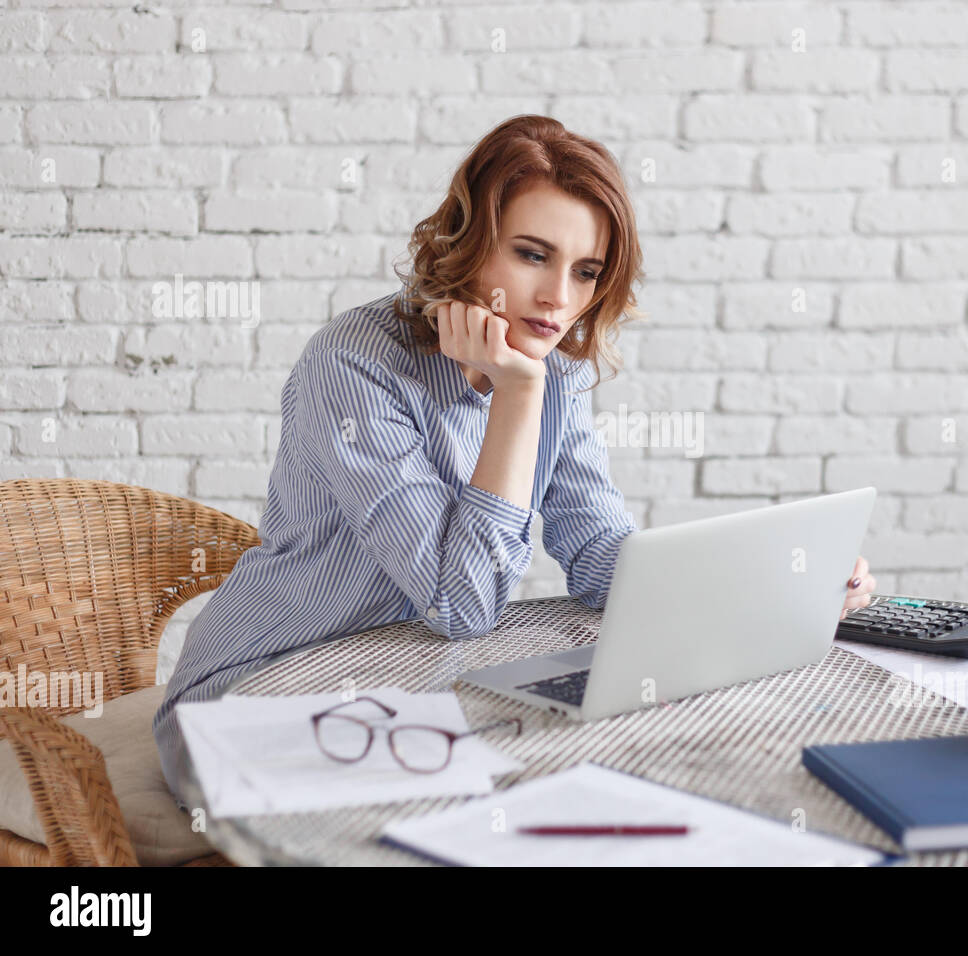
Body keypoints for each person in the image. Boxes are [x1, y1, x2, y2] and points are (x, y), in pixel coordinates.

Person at [152, 114, 875, 807]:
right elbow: (460, 605)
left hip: (404, 687)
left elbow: (599, 556)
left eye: (586, 271)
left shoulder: (555, 367)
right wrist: (518, 395)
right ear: (469, 243)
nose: (559, 299)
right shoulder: (354, 366)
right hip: (253, 696)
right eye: (533, 255)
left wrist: (775, 587)